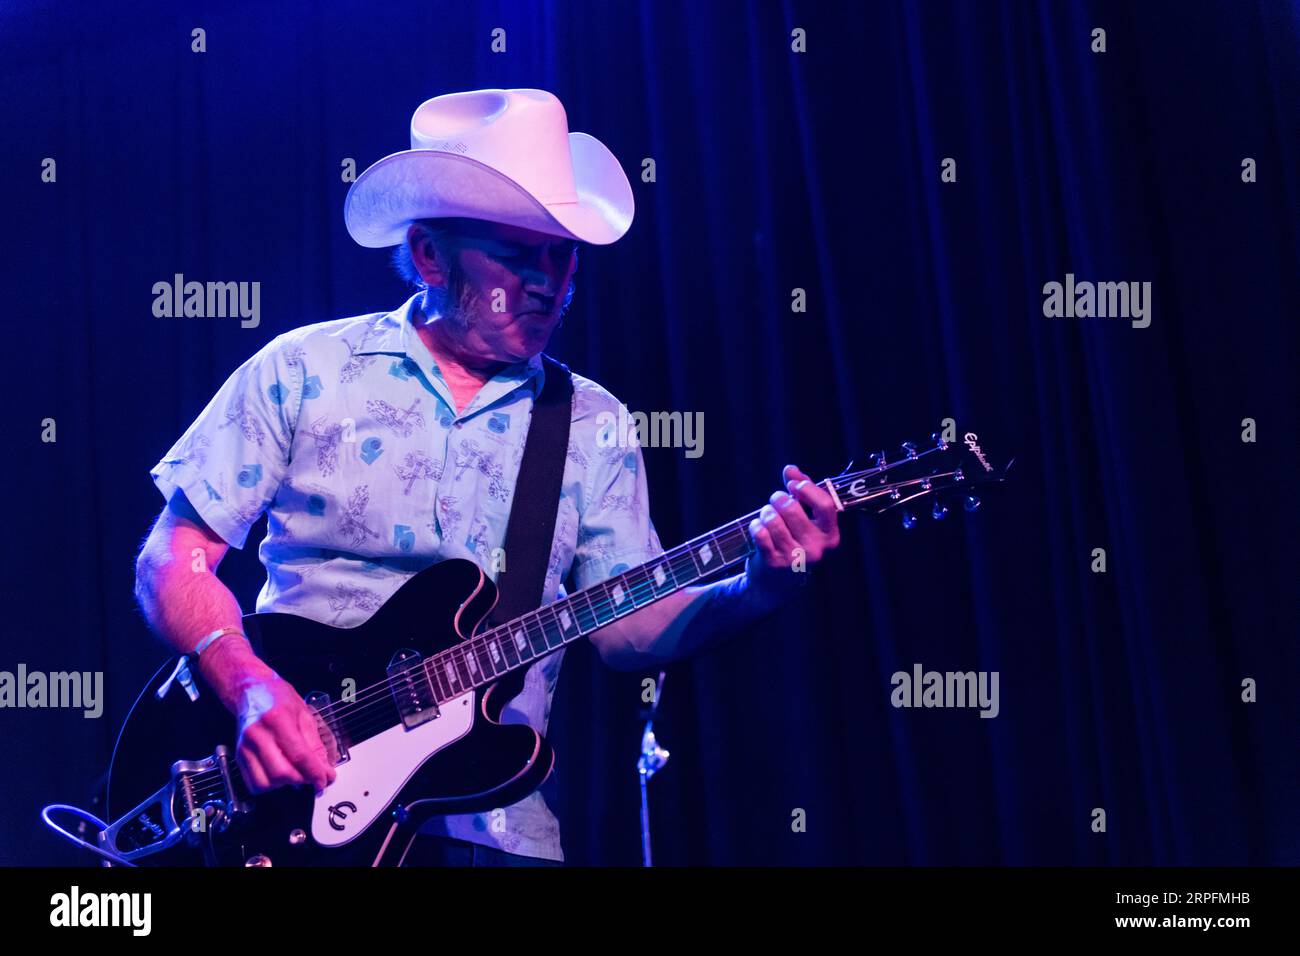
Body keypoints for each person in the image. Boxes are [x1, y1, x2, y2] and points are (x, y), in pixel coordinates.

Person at [133, 89, 841, 866]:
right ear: (431, 254)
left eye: (561, 253)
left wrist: (759, 589)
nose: (547, 280)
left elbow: (631, 630)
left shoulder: (590, 421)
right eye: (514, 252)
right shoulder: (303, 368)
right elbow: (171, 559)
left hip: (497, 831)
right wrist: (247, 685)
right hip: (287, 806)